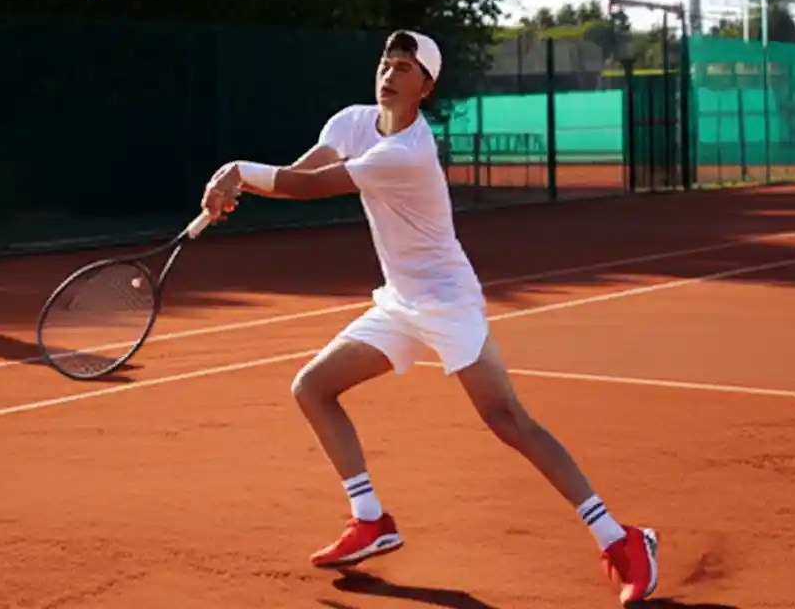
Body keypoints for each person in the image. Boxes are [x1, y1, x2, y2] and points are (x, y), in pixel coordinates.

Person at [200, 30, 658, 606]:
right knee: (313, 387)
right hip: (399, 301)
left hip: (447, 300)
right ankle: (370, 520)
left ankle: (622, 541)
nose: (389, 74)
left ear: (426, 87)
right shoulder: (350, 123)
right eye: (386, 63)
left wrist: (236, 170)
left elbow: (313, 187)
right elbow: (298, 172)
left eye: (404, 68)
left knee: (507, 420)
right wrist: (239, 184)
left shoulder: (407, 152)